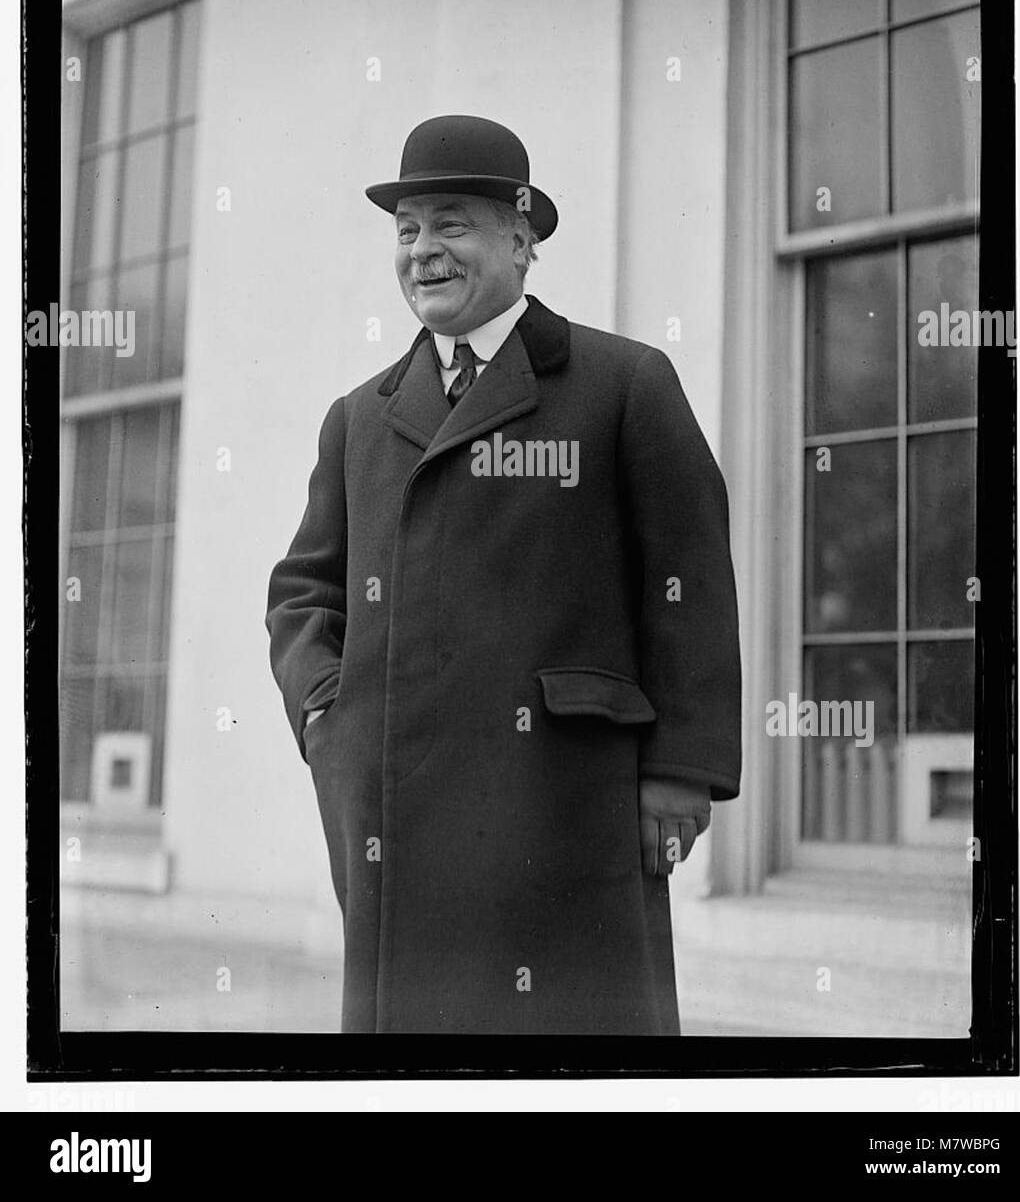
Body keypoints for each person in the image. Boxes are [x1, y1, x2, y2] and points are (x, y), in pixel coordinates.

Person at [266, 114, 741, 1034]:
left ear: (521, 241)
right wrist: (332, 711)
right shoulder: (358, 417)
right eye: (406, 231)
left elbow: (688, 583)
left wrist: (682, 770)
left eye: (451, 224)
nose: (422, 251)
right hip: (393, 816)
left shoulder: (623, 382)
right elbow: (303, 592)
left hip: (569, 806)